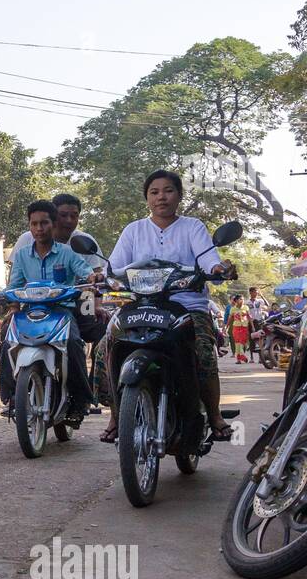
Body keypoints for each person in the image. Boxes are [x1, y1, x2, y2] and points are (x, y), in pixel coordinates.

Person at [99, 170, 235, 444]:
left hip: (186, 306)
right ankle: (115, 414)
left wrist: (218, 268)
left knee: (202, 349)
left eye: (168, 190)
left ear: (179, 195)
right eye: (154, 192)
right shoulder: (133, 230)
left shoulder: (193, 227)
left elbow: (209, 259)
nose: (162, 196)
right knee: (106, 346)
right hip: (140, 304)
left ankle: (214, 413)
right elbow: (113, 267)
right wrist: (100, 276)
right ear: (147, 198)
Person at [0, 200, 98, 424]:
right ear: (29, 226)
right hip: (29, 312)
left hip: (62, 312)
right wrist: (11, 305)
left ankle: (81, 400)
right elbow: (14, 284)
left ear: (53, 224)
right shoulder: (22, 255)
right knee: (6, 339)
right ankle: (12, 397)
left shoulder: (68, 253)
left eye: (44, 223)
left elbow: (85, 271)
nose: (39, 229)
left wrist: (92, 278)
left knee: (73, 343)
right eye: (34, 224)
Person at [231, 296, 251, 364]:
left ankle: (241, 356)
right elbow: (229, 319)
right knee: (237, 342)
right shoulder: (233, 309)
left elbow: (249, 317)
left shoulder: (246, 307)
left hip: (244, 326)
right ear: (236, 301)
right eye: (240, 299)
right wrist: (225, 327)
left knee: (242, 342)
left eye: (243, 299)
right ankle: (239, 358)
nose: (242, 300)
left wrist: (253, 326)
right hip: (236, 327)